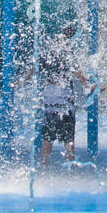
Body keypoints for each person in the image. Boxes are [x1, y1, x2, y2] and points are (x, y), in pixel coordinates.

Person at [39, 25, 87, 168]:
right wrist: (88, 85)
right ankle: (70, 165)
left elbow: (35, 69)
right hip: (64, 95)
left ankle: (44, 165)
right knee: (68, 134)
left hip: (49, 94)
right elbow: (77, 73)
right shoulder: (69, 52)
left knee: (47, 133)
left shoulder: (48, 51)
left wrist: (20, 81)